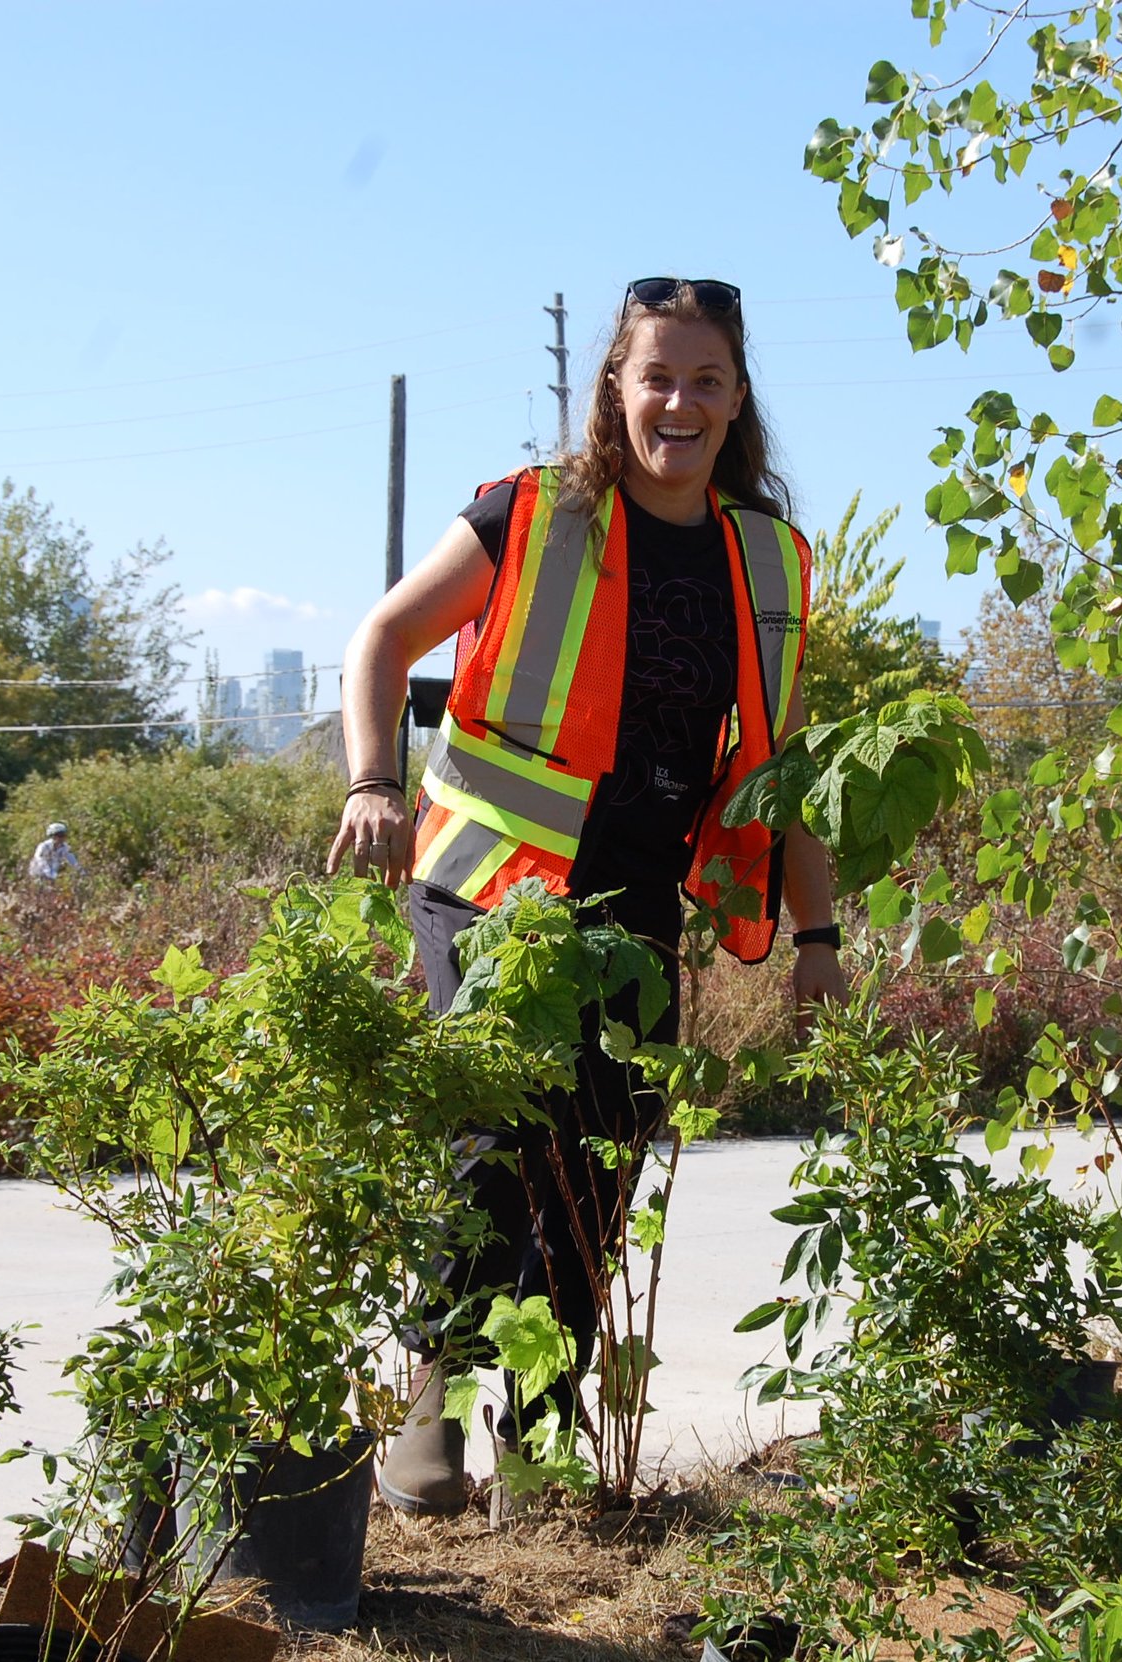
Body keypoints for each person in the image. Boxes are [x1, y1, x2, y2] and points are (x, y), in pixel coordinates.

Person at [333, 277, 847, 1517]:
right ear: (614, 389)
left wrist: (818, 932)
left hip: (636, 896)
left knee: (601, 1159)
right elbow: (382, 641)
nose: (679, 402)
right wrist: (370, 782)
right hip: (487, 876)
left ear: (736, 400)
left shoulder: (767, 559)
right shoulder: (529, 515)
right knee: (497, 1149)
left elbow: (784, 762)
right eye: (656, 377)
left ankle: (549, 1428)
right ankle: (434, 1402)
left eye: (706, 380)